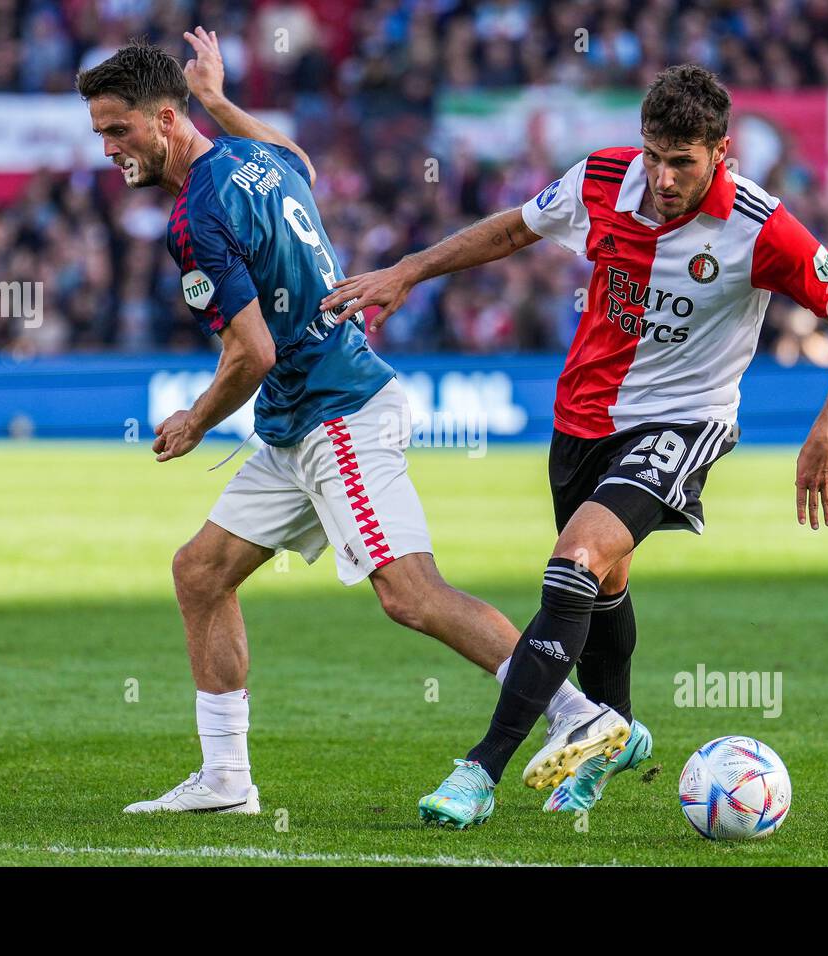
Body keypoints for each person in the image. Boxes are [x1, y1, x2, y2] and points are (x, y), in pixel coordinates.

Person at [322, 64, 828, 825]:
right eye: (653, 153)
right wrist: (411, 270)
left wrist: (827, 433)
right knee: (603, 585)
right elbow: (517, 227)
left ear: (721, 152)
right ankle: (611, 736)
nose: (661, 175)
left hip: (684, 421)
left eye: (681, 160)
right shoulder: (602, 179)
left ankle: (478, 772)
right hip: (582, 420)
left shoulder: (760, 227)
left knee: (574, 561)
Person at [75, 30, 614, 819]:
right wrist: (220, 101)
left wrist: (195, 421)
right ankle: (227, 782)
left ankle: (576, 713)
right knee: (200, 573)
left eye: (117, 130)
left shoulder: (194, 215)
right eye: (99, 134)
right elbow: (302, 162)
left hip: (338, 414)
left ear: (163, 119)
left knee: (410, 595)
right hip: (301, 419)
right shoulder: (252, 160)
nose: (109, 150)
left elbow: (250, 352)